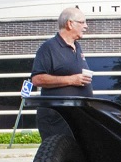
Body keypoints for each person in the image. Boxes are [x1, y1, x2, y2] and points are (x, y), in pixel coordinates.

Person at [31, 7, 94, 139]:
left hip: (78, 118)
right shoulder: (49, 47)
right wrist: (71, 80)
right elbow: (37, 79)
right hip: (57, 119)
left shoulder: (77, 47)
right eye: (82, 22)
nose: (86, 26)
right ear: (70, 24)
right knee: (59, 157)